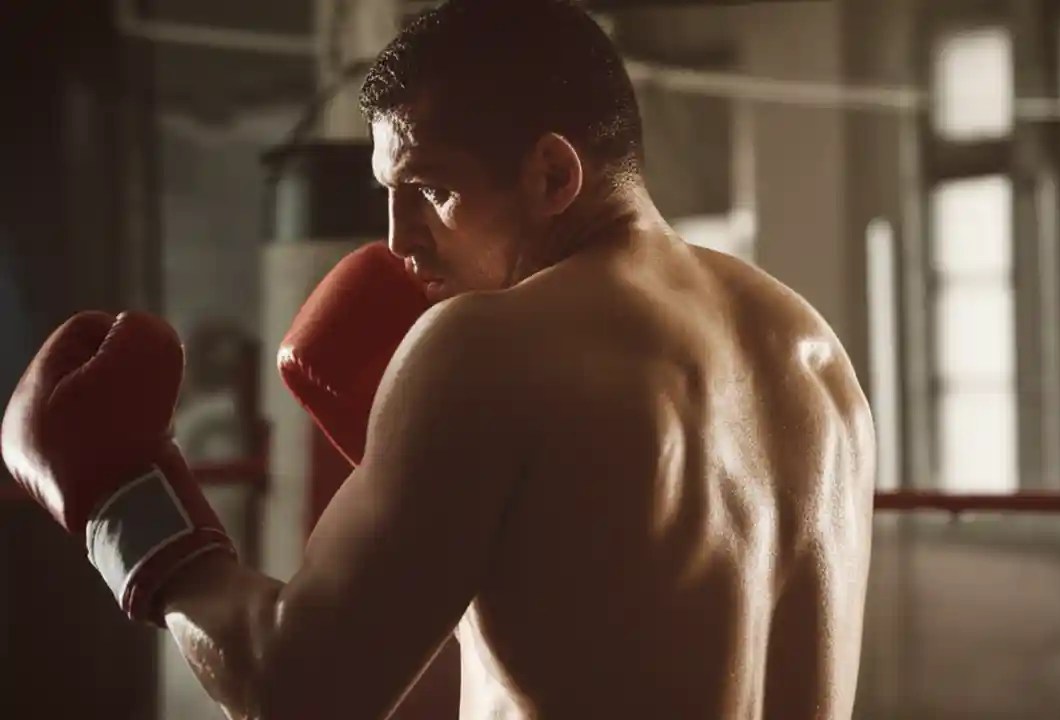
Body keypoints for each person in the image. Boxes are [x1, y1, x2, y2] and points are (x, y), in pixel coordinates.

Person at [1, 1, 875, 717]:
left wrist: (124, 505)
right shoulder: (812, 353)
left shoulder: (489, 349)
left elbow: (293, 693)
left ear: (552, 175)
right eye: (389, 196)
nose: (397, 244)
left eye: (432, 190)